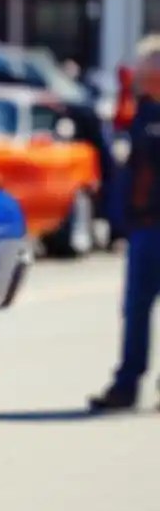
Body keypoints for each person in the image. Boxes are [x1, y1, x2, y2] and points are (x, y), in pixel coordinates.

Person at [89, 35, 160, 411]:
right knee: (135, 309)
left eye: (148, 71)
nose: (142, 78)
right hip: (144, 227)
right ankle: (127, 385)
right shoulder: (141, 113)